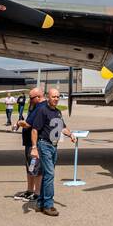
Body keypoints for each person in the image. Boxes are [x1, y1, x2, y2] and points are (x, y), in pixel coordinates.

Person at [28, 87, 73, 217]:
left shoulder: (58, 112)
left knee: (47, 175)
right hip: (44, 145)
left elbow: (62, 127)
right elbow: (35, 130)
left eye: (58, 97)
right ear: (48, 97)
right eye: (54, 97)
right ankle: (48, 205)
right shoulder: (43, 110)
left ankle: (40, 203)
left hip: (54, 146)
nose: (56, 99)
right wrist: (34, 147)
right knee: (50, 174)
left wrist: (71, 135)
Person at [13, 87, 44, 203]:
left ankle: (37, 193)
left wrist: (18, 123)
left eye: (31, 98)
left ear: (38, 97)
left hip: (34, 144)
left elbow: (28, 124)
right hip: (28, 143)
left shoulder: (40, 107)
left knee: (35, 168)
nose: (29, 100)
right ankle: (30, 190)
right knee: (30, 168)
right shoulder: (35, 106)